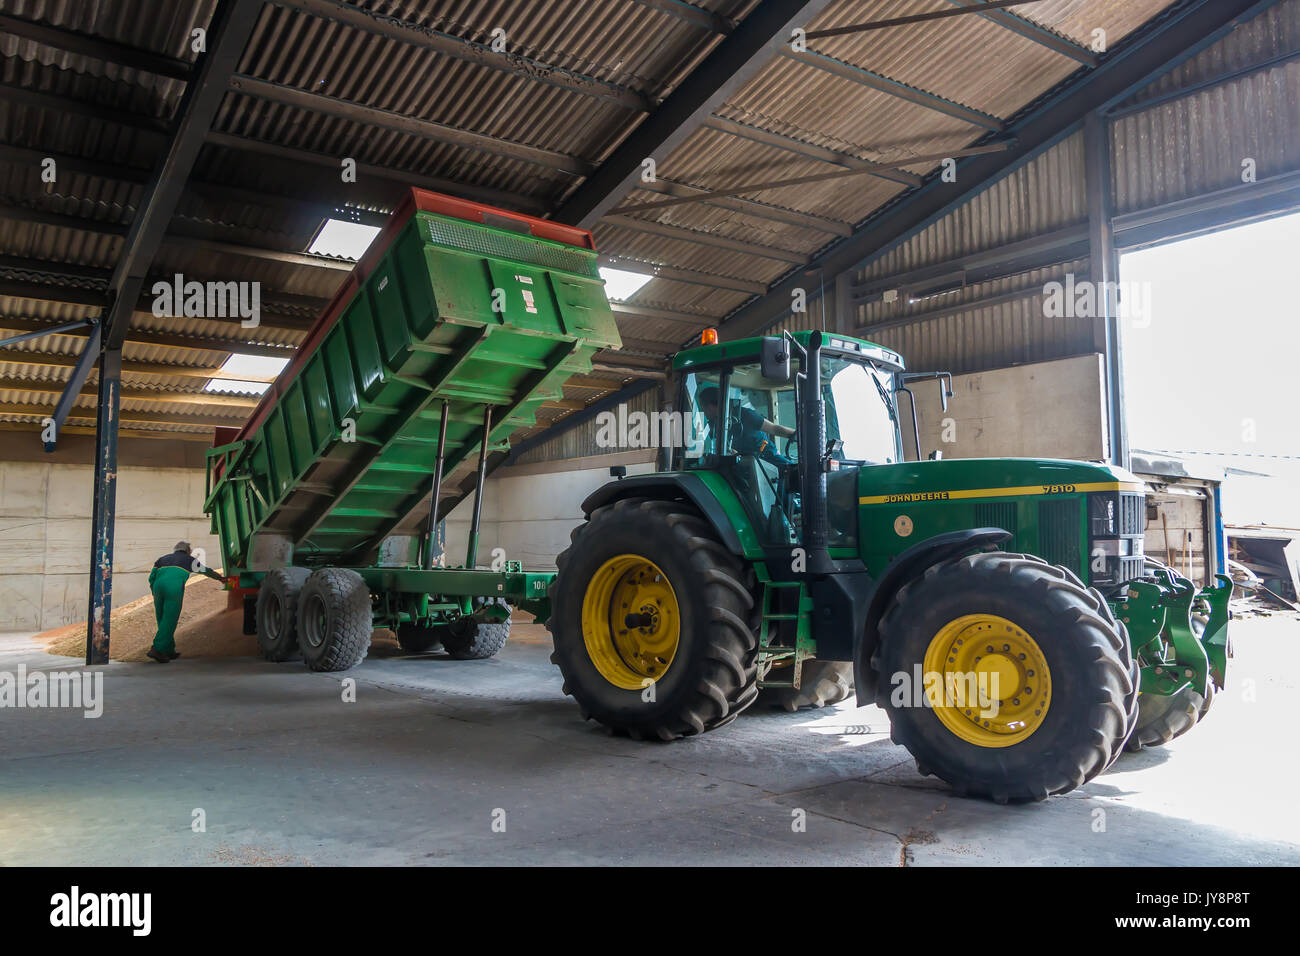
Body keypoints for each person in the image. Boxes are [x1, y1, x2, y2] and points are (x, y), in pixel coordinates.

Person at [146, 542, 224, 664]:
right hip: (173, 588)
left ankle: (168, 650)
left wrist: (154, 591)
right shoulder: (189, 560)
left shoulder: (162, 559)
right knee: (170, 619)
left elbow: (151, 577)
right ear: (187, 550)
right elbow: (206, 571)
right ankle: (157, 649)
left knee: (162, 618)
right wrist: (220, 578)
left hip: (157, 587)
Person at [696, 384, 795, 467]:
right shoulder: (713, 426)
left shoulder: (745, 414)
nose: (703, 412)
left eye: (703, 407)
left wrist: (797, 435)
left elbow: (774, 429)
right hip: (745, 465)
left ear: (710, 407)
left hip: (768, 456)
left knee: (792, 472)